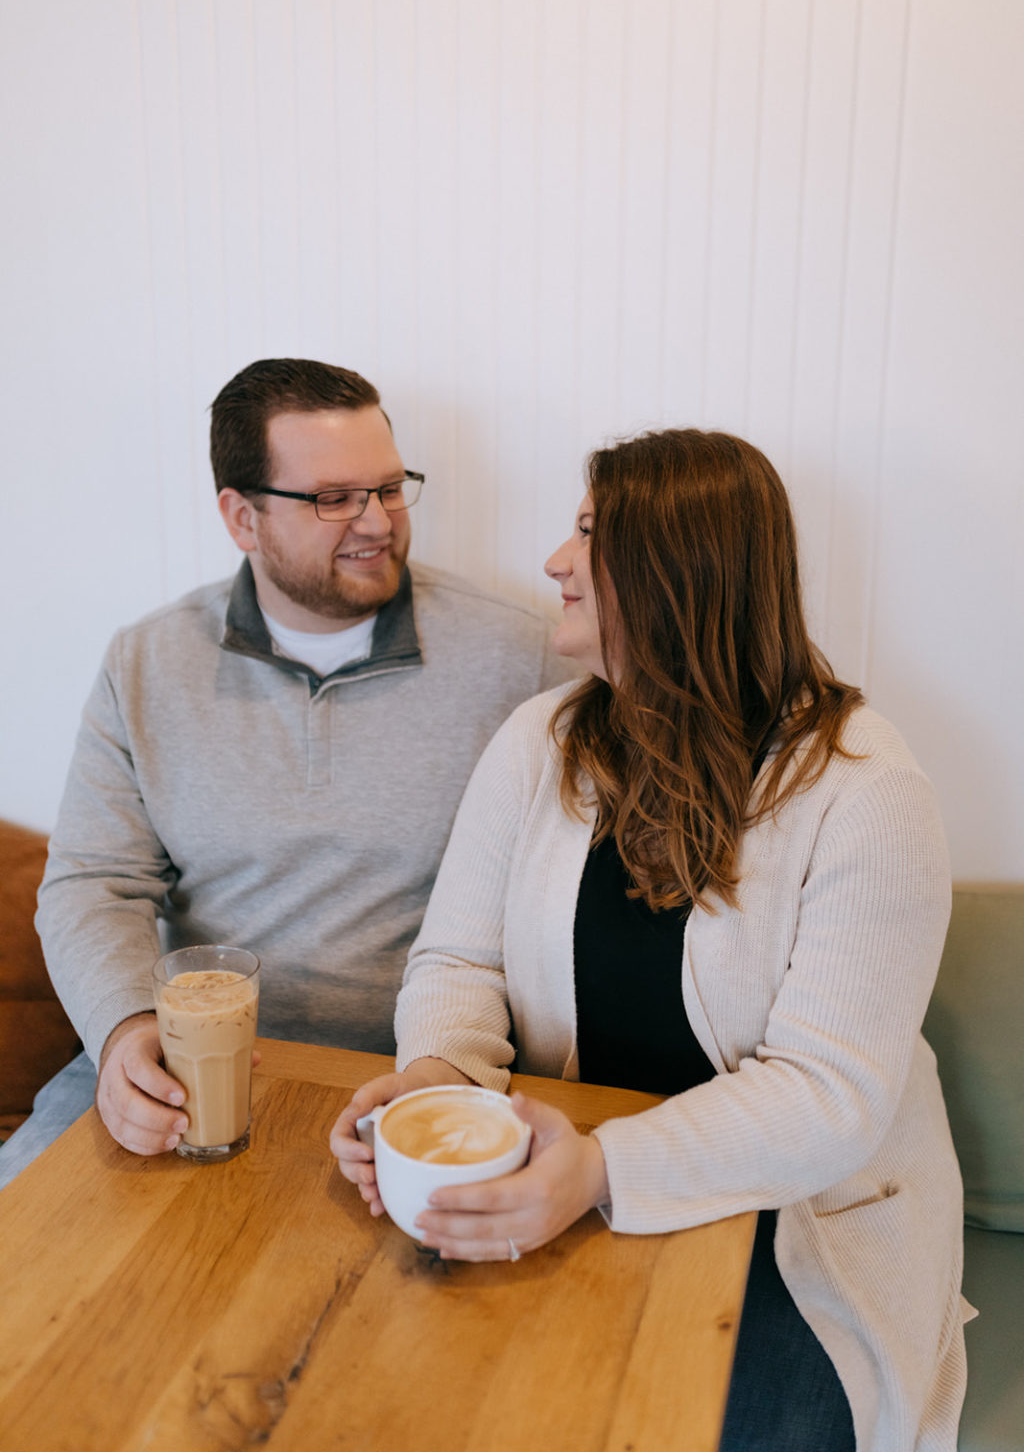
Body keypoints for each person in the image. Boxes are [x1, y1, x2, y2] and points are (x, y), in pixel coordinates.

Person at [332, 428, 969, 1452]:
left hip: (789, 1223)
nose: (553, 561)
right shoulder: (539, 744)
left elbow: (828, 1098)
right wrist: (437, 1076)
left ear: (679, 573)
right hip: (564, 1181)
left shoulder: (866, 792)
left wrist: (598, 1171)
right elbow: (459, 962)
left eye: (588, 533)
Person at [3, 358, 570, 1181]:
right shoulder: (147, 662)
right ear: (241, 517)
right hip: (190, 1069)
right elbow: (92, 882)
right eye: (333, 498)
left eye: (389, 487)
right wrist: (125, 1030)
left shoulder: (519, 655)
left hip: (412, 1084)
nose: (377, 522)